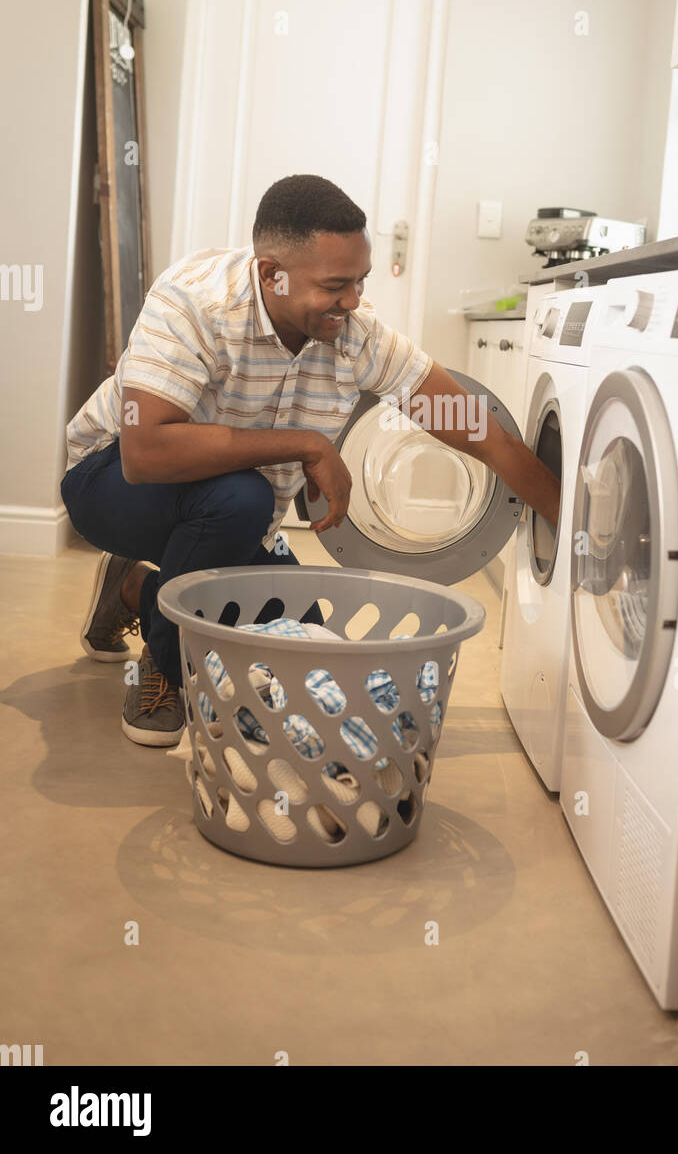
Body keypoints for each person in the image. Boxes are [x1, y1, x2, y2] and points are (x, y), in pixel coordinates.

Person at [61, 174, 560, 747]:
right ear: (272, 273)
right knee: (239, 497)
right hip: (109, 480)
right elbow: (145, 452)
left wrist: (565, 526)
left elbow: (482, 433)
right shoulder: (194, 302)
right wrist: (308, 444)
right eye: (336, 285)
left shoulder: (354, 334)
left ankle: (134, 590)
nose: (353, 302)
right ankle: (165, 665)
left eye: (360, 281)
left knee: (305, 645)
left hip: (232, 515)